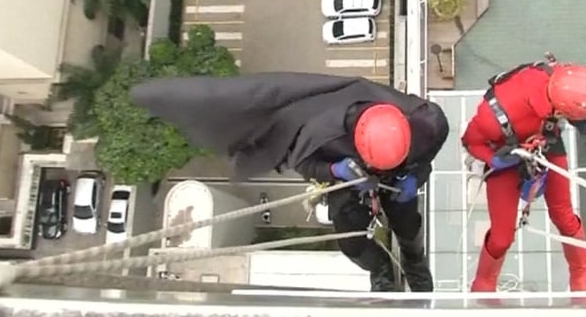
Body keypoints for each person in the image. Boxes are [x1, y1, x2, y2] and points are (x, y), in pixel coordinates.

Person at [131, 73, 449, 293]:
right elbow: (305, 164)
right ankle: (380, 268)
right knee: (350, 238)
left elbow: (427, 157)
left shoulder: (429, 123)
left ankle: (413, 260)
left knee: (407, 221)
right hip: (349, 179)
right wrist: (336, 170)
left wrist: (415, 177)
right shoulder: (322, 132)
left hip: (400, 178)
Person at [461, 57, 586, 294]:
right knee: (502, 237)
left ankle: (581, 271)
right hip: (508, 154)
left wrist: (585, 121)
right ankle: (484, 283)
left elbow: (576, 96)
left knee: (564, 217)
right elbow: (470, 141)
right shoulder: (493, 116)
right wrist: (494, 160)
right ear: (558, 110)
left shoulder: (561, 80)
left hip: (544, 144)